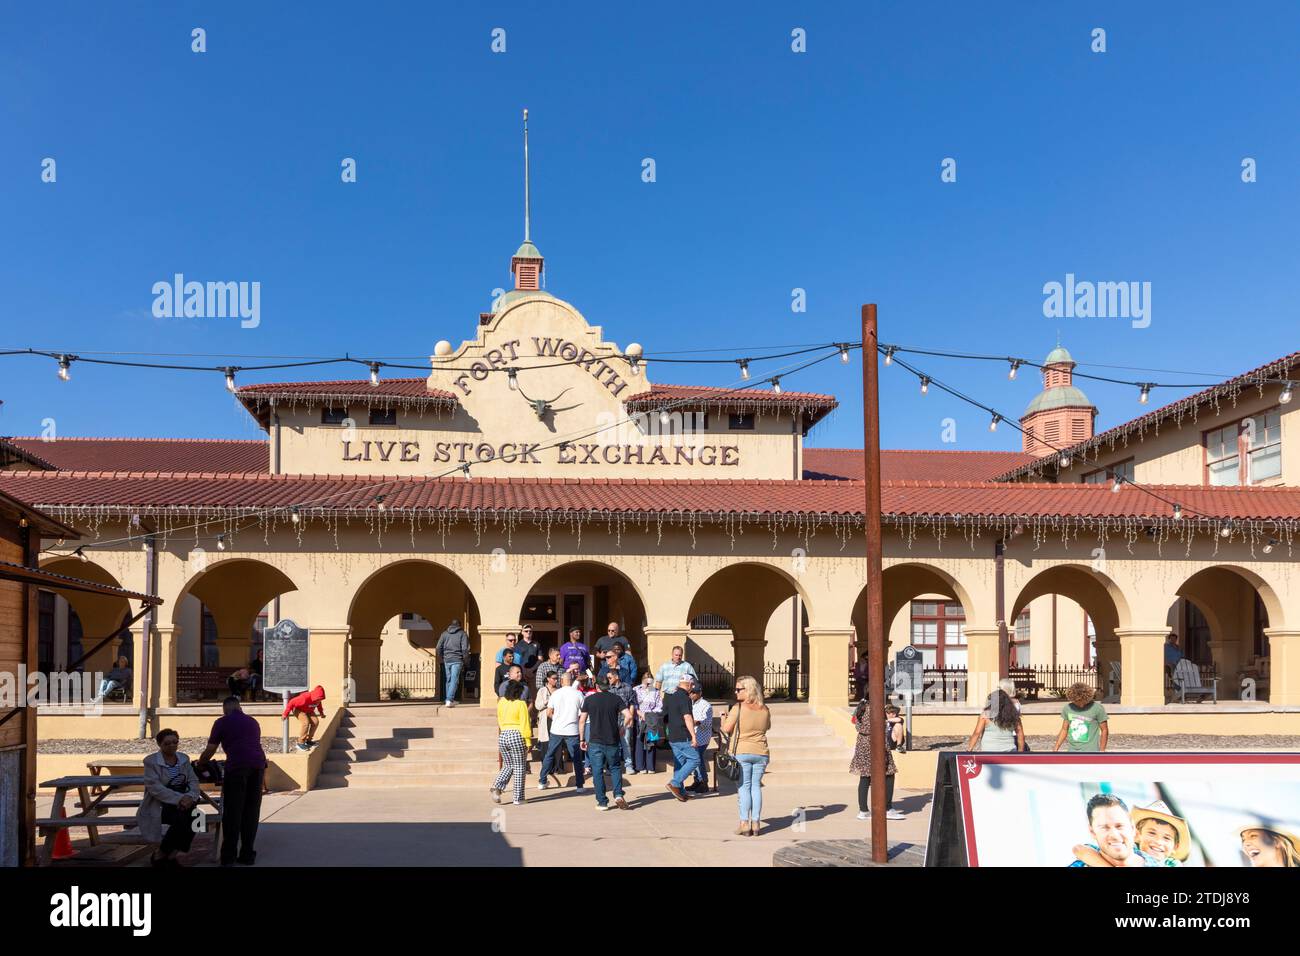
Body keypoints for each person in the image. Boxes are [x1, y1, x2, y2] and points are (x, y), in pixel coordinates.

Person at [196, 696, 267, 866]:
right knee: (251, 811)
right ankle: (247, 854)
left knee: (233, 812)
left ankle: (228, 857)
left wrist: (201, 763)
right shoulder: (253, 721)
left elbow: (211, 749)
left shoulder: (222, 722)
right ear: (240, 707)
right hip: (258, 766)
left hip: (236, 767)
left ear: (225, 709)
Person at [138, 728, 203, 867]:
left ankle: (169, 854)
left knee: (199, 819)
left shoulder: (183, 759)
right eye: (167, 743)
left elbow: (193, 781)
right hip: (162, 803)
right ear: (160, 745)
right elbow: (155, 787)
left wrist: (190, 796)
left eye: (175, 742)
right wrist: (180, 799)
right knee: (182, 819)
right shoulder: (151, 762)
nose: (172, 745)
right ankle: (163, 854)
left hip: (186, 800)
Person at [721, 675, 771, 836]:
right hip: (761, 752)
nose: (735, 692)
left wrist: (723, 718)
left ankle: (744, 823)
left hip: (742, 751)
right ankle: (756, 823)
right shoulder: (764, 709)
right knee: (756, 787)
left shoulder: (739, 707)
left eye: (738, 689)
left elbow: (726, 729)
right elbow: (767, 727)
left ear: (748, 689)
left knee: (744, 787)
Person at [579, 678, 632, 810]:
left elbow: (582, 720)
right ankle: (618, 794)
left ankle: (602, 802)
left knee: (597, 771)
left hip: (595, 740)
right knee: (614, 768)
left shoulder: (589, 699)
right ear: (608, 686)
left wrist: (581, 739)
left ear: (597, 686)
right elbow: (629, 716)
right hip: (612, 739)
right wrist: (622, 727)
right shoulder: (616, 699)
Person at [850, 698, 904, 821]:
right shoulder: (875, 708)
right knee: (889, 773)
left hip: (862, 743)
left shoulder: (861, 706)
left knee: (865, 776)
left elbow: (855, 722)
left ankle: (863, 810)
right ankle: (887, 808)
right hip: (876, 742)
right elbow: (879, 725)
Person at [1068, 794, 1154, 867]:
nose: (1114, 835)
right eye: (1104, 828)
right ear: (1092, 832)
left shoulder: (1154, 862)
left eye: (1119, 826)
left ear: (1132, 828)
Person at [538, 671, 586, 792]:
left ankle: (542, 781)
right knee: (576, 758)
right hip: (573, 730)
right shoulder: (579, 694)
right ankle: (579, 785)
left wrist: (557, 719)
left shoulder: (555, 694)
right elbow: (584, 713)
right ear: (571, 681)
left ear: (561, 681)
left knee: (549, 755)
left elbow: (549, 712)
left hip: (556, 729)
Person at [490, 680, 532, 805]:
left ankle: (497, 786)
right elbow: (525, 723)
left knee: (508, 765)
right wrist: (528, 741)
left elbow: (500, 719)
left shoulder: (502, 702)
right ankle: (518, 798)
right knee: (519, 767)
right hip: (517, 735)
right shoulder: (521, 704)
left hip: (504, 735)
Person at [663, 676, 699, 801]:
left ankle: (681, 792)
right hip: (683, 735)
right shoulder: (685, 697)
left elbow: (665, 715)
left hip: (673, 735)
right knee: (695, 759)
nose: (693, 687)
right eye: (692, 685)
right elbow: (687, 717)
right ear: (688, 684)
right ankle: (675, 783)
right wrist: (694, 736)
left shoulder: (671, 696)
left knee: (680, 763)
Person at [602, 661, 639, 774]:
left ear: (616, 677)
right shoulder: (607, 689)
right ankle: (611, 766)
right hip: (611, 721)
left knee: (626, 743)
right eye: (607, 678)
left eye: (610, 677)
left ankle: (628, 766)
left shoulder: (627, 688)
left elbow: (632, 703)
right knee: (611, 745)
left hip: (625, 720)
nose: (608, 680)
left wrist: (631, 718)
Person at [1053, 682, 1108, 752]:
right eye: (1076, 701)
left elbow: (1104, 730)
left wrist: (1102, 750)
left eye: (1082, 701)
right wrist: (1056, 747)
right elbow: (1064, 729)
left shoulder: (1097, 708)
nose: (1080, 704)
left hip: (1091, 751)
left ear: (1087, 698)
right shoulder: (1068, 708)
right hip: (1072, 751)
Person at [632, 673, 663, 774]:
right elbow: (633, 704)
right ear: (643, 680)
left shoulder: (655, 691)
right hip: (639, 718)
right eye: (646, 682)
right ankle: (640, 766)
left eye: (650, 682)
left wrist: (650, 714)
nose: (648, 684)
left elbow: (659, 705)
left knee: (651, 741)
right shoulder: (636, 690)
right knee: (640, 741)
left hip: (651, 719)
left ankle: (650, 767)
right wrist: (639, 713)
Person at [436, 618, 469, 706]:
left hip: (447, 659)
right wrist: (466, 661)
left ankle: (449, 699)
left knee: (449, 680)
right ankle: (449, 699)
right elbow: (465, 649)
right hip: (457, 660)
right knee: (454, 680)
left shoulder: (444, 634)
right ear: (459, 625)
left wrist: (442, 657)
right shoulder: (462, 634)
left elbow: (438, 647)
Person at [282, 685, 326, 752]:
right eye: (318, 699)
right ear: (314, 696)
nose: (319, 701)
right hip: (298, 710)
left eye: (320, 699)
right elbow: (291, 702)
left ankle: (308, 741)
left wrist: (321, 714)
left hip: (309, 710)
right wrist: (285, 714)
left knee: (315, 722)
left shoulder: (318, 699)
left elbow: (319, 707)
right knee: (306, 723)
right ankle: (300, 743)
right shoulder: (304, 698)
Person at [687, 683, 713, 793]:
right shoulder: (690, 703)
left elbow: (706, 722)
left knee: (698, 758)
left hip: (702, 737)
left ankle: (704, 783)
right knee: (694, 759)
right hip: (693, 736)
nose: (691, 695)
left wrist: (694, 722)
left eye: (694, 693)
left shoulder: (706, 705)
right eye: (690, 692)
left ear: (700, 693)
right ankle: (697, 781)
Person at [534, 669, 560, 758]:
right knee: (546, 742)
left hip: (556, 718)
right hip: (545, 719)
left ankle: (557, 767)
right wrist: (547, 702)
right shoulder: (542, 691)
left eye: (557, 678)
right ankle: (548, 767)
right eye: (554, 678)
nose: (556, 680)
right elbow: (537, 706)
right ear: (548, 679)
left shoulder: (559, 691)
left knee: (557, 742)